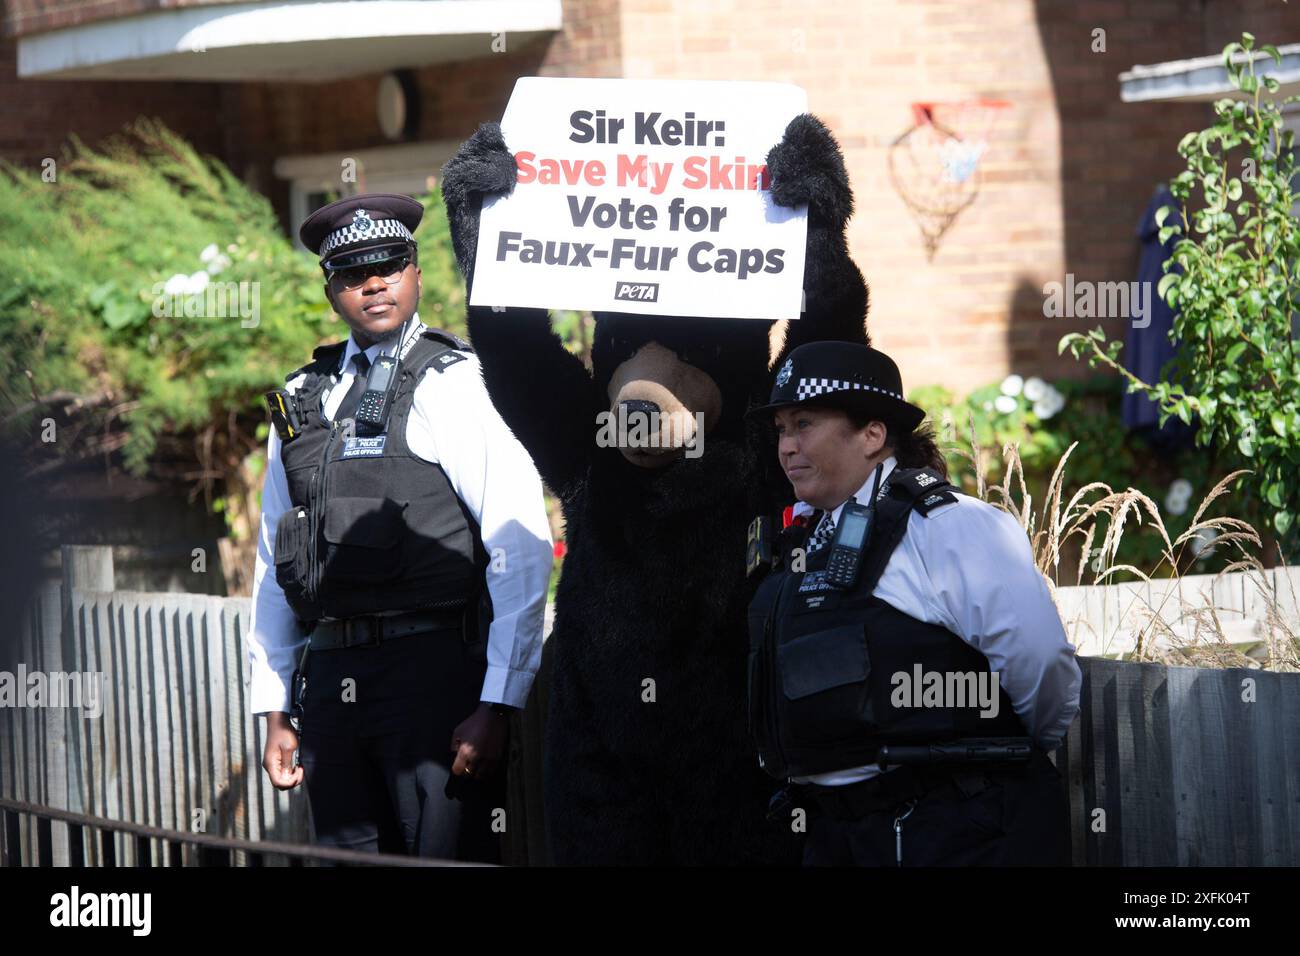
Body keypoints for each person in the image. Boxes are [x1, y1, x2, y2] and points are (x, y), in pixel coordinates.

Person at [247, 193, 553, 862]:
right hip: (329, 681)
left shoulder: (456, 382)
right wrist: (273, 707)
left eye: (391, 265)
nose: (375, 283)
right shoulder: (303, 397)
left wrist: (498, 702)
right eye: (355, 273)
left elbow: (519, 543)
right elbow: (275, 562)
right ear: (331, 289)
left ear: (415, 273)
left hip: (433, 678)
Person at [747, 341, 1082, 866]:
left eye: (805, 423)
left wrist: (993, 755)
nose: (787, 447)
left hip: (955, 831)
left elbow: (1039, 665)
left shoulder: (950, 526)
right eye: (782, 430)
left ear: (873, 434)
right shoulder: (800, 539)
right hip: (841, 833)